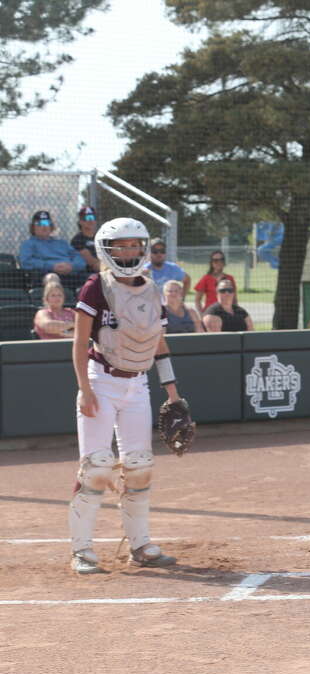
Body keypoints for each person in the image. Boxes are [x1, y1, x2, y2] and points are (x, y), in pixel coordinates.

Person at [69, 217, 186, 574]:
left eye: (134, 244)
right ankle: (82, 551)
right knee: (97, 466)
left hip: (137, 384)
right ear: (108, 250)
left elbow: (159, 343)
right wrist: (85, 390)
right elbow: (79, 342)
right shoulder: (95, 288)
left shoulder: (151, 289)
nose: (129, 251)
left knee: (139, 466)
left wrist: (173, 394)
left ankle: (141, 545)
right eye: (121, 246)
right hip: (101, 380)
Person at [19, 211, 87, 290]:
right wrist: (52, 266)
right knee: (52, 278)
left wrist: (72, 266)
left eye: (46, 223)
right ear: (33, 227)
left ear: (51, 226)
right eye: (39, 223)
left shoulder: (62, 243)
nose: (44, 226)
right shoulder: (28, 244)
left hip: (71, 274)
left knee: (93, 279)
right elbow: (26, 262)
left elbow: (79, 259)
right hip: (45, 276)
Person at [70, 206, 102, 274]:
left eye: (92, 217)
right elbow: (91, 263)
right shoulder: (77, 240)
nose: (90, 220)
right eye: (87, 218)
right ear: (80, 222)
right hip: (88, 273)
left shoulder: (100, 237)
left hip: (103, 269)